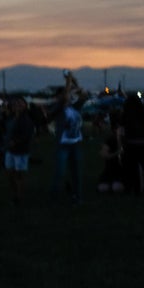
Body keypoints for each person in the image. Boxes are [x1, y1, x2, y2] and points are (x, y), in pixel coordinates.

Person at [47, 72, 84, 203]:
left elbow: (82, 95)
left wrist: (75, 81)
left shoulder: (75, 107)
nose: (67, 97)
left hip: (75, 144)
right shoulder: (57, 108)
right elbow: (64, 99)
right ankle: (54, 196)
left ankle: (76, 195)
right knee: (60, 171)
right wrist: (69, 81)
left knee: (76, 172)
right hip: (63, 144)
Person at [3, 95, 35, 205]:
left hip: (20, 151)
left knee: (19, 174)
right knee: (10, 173)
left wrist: (16, 141)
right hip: (10, 150)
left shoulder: (26, 119)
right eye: (16, 104)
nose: (17, 106)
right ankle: (14, 193)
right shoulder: (11, 118)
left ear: (25, 106)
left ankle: (19, 196)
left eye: (20, 104)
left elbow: (27, 135)